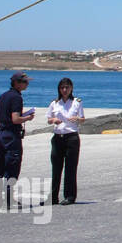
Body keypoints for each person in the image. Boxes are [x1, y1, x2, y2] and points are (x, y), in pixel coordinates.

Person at [0, 72, 35, 210]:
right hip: (11, 136)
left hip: (0, 134)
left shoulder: (3, 96)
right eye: (25, 82)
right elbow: (15, 119)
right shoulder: (16, 97)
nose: (27, 84)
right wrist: (27, 118)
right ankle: (8, 199)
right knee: (12, 167)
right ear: (17, 83)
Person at [47, 77, 83, 205]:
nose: (64, 90)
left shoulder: (77, 102)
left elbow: (82, 118)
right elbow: (49, 118)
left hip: (71, 137)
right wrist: (54, 120)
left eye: (67, 87)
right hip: (58, 137)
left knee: (70, 168)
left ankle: (70, 196)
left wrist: (77, 118)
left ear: (71, 88)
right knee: (56, 168)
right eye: (62, 87)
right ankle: (53, 197)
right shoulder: (55, 103)